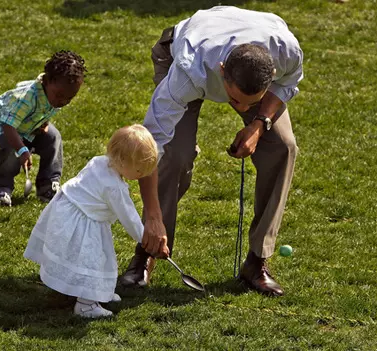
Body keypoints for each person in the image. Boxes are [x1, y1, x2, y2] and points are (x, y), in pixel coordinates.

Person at [120, 6, 303, 297]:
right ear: (222, 73)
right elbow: (151, 146)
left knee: (283, 147)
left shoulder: (286, 51)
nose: (240, 108)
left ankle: (257, 262)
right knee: (175, 156)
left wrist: (258, 124)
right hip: (179, 54)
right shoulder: (188, 71)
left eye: (248, 102)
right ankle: (147, 251)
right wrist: (153, 215)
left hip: (244, 56)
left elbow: (287, 83)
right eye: (234, 99)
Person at [24, 124, 169, 318]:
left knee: (86, 258)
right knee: (91, 261)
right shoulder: (114, 187)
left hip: (67, 211)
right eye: (139, 171)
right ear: (124, 162)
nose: (141, 176)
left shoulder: (99, 162)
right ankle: (85, 305)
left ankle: (98, 292)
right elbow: (130, 218)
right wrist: (148, 241)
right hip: (83, 222)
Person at [0, 50, 86, 206]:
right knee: (13, 148)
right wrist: (22, 150)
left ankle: (47, 185)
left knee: (53, 137)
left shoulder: (53, 93)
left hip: (23, 124)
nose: (63, 101)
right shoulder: (27, 98)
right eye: (59, 95)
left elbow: (43, 111)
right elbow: (8, 125)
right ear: (48, 81)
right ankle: (0, 187)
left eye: (69, 98)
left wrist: (42, 123)